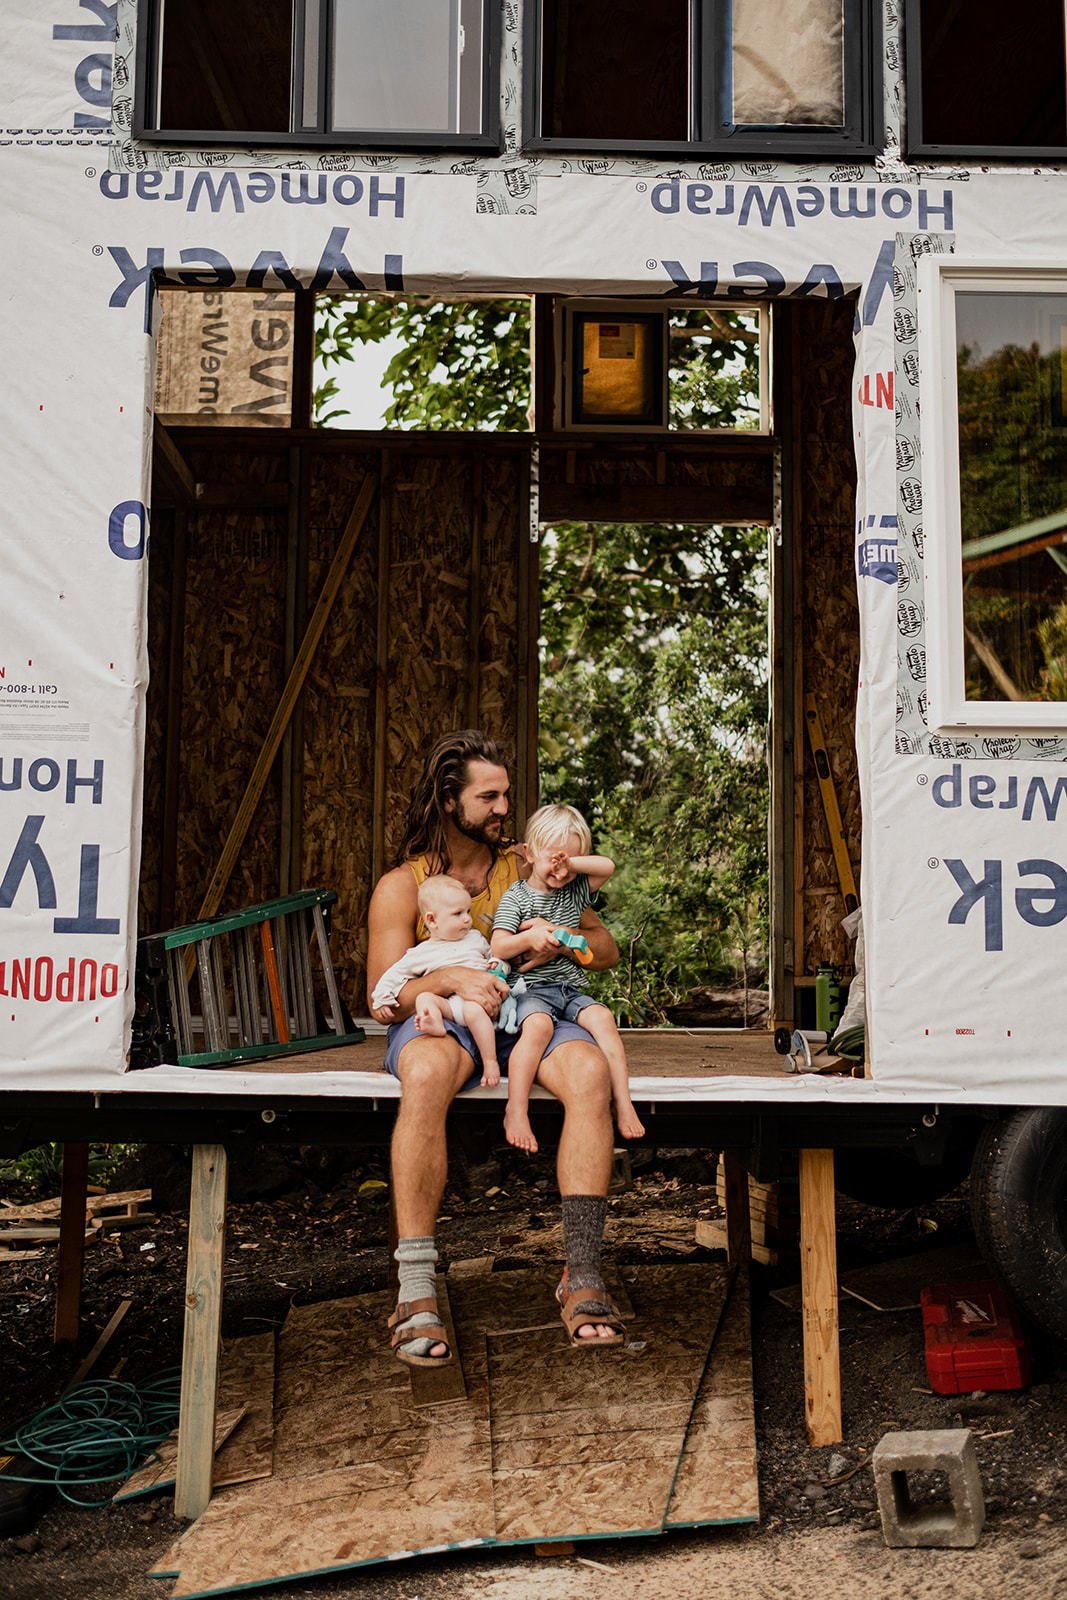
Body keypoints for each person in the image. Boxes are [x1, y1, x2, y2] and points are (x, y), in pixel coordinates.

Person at [367, 730, 627, 1365]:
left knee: (590, 1070)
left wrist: (564, 940)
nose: (505, 808)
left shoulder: (532, 865)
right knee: (425, 1073)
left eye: (507, 795)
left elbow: (606, 949)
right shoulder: (406, 886)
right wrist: (452, 978)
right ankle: (416, 1289)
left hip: (530, 1006)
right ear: (448, 800)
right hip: (448, 1017)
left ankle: (582, 1273)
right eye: (490, 797)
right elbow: (380, 994)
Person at [491, 804, 646, 1154]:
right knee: (539, 1029)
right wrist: (530, 939)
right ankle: (516, 1108)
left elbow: (608, 866)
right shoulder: (516, 896)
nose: (560, 872)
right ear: (529, 854)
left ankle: (623, 1102)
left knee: (604, 1019)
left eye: (569, 863)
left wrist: (569, 863)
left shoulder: (574, 891)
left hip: (569, 989)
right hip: (532, 990)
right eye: (553, 861)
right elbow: (499, 944)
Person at [370, 873, 507, 1088]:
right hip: (450, 1008)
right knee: (424, 997)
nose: (467, 919)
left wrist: (498, 966)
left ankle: (490, 1061)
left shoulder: (475, 939)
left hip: (477, 1002)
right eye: (458, 913)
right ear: (432, 920)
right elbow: (393, 976)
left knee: (473, 1010)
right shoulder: (421, 953)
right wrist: (381, 999)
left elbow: (495, 957)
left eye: (468, 912)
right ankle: (434, 1023)